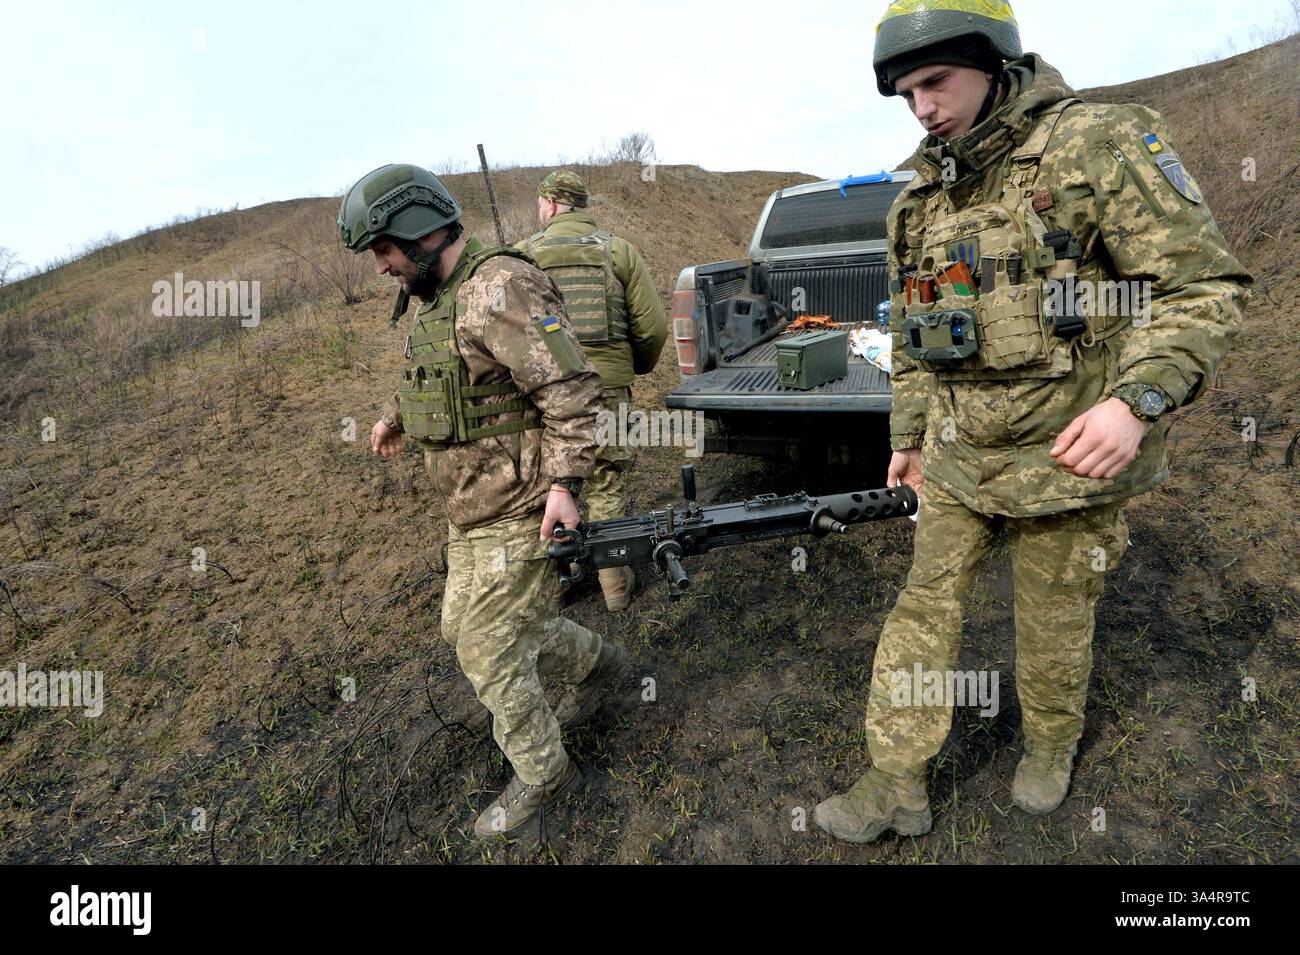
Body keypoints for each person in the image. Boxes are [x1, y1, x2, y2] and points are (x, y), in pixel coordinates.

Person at [814, 1, 1250, 843]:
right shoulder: (919, 202)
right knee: (920, 613)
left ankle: (1049, 747)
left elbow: (1201, 287)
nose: (924, 108)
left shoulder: (1097, 144)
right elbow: (910, 335)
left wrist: (1137, 399)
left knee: (1052, 620)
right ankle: (895, 780)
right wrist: (907, 436)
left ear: (989, 58)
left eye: (935, 82)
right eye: (906, 95)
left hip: (1068, 459)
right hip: (957, 459)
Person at [338, 164, 627, 839]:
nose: (379, 267)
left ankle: (546, 776)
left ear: (413, 232)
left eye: (381, 250)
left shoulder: (501, 287)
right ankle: (603, 666)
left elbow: (572, 389)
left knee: (490, 647)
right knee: (461, 629)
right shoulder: (440, 299)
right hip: (468, 511)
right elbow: (429, 375)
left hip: (521, 506)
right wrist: (393, 416)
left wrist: (565, 487)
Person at [518, 170, 668, 611]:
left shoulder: (523, 255)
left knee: (549, 490)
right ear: (581, 206)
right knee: (605, 485)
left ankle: (558, 586)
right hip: (608, 390)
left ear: (548, 204)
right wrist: (628, 369)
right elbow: (654, 327)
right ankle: (616, 590)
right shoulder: (616, 250)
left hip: (543, 396)